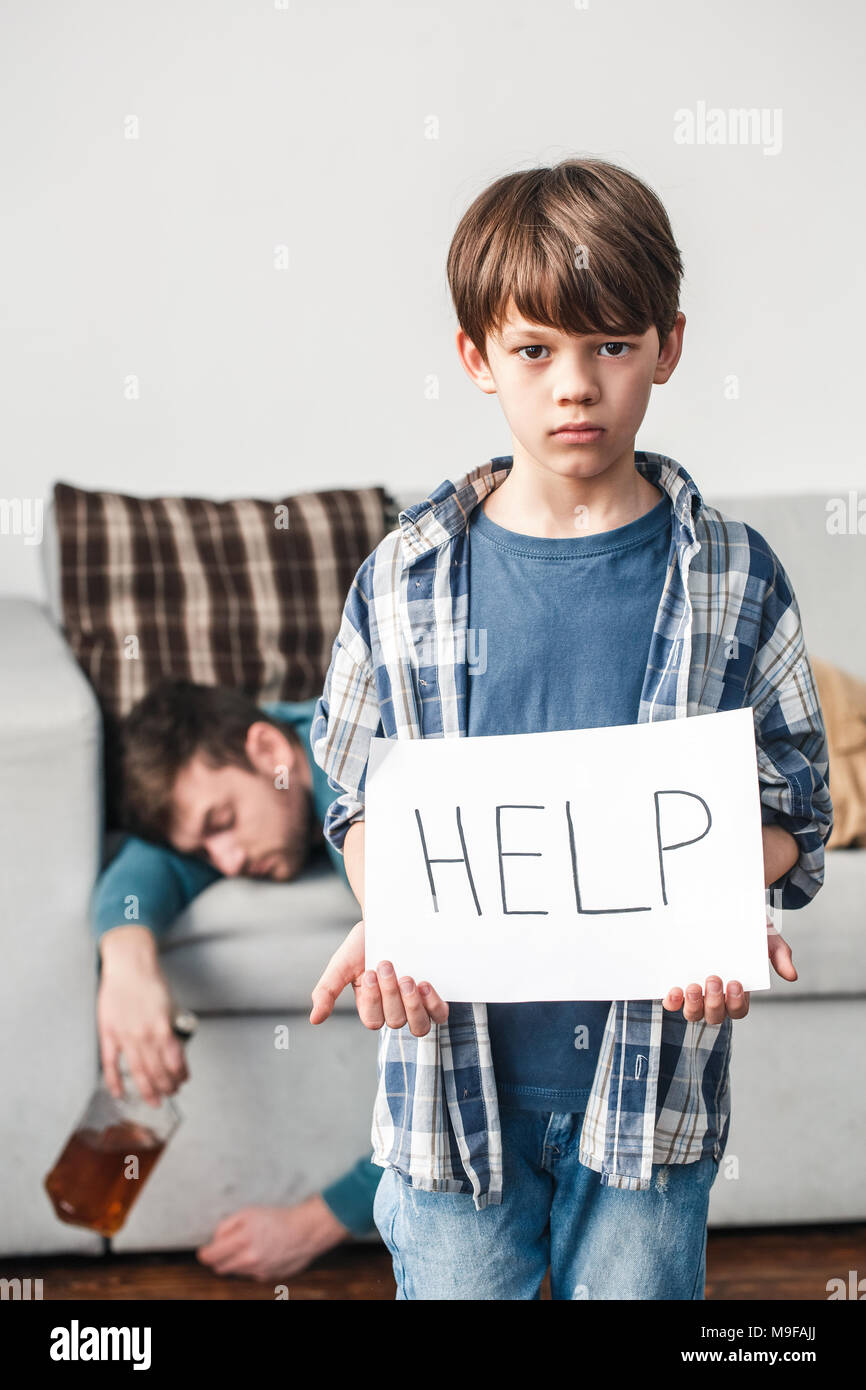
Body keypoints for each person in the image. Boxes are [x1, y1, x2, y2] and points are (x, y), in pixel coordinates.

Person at [307, 156, 833, 1300]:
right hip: (448, 1089)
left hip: (654, 1088)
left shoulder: (733, 578)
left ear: (668, 346)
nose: (574, 387)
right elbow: (351, 788)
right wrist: (386, 906)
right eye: (535, 350)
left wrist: (720, 903)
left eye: (611, 347)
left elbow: (797, 802)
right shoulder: (403, 576)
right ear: (475, 359)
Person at [92, 680, 381, 1282]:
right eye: (204, 847)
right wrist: (126, 960)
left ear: (270, 751)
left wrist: (320, 1220)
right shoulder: (267, 758)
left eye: (222, 822)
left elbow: (484, 1059)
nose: (226, 863)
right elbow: (150, 866)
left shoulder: (355, 785)